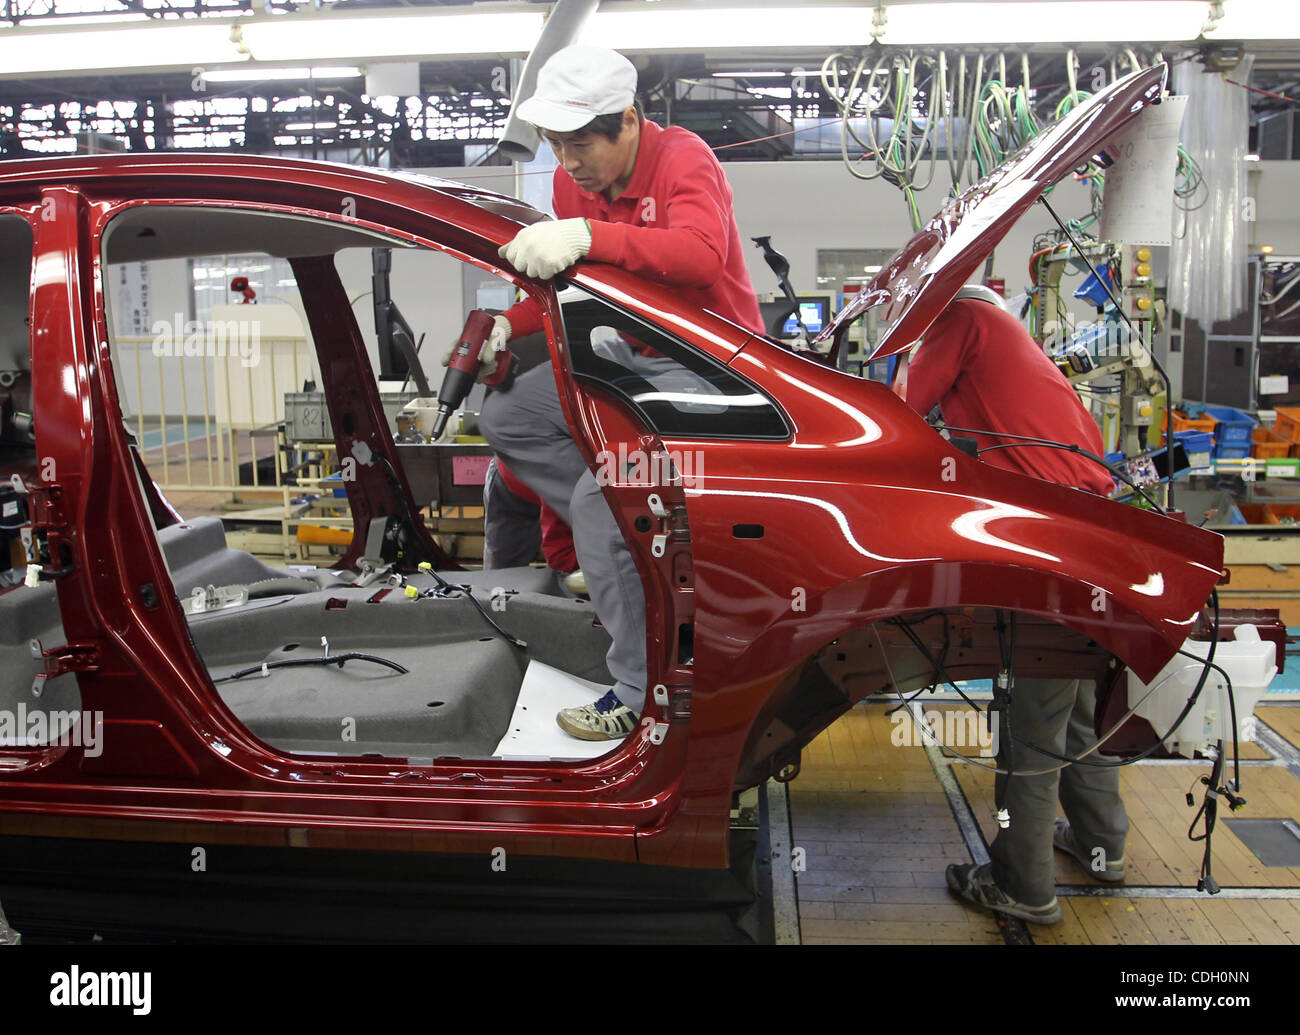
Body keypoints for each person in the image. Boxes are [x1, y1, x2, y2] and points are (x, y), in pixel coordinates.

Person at [473, 44, 763, 740]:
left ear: (628, 122)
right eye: (555, 145)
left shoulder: (684, 157)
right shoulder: (577, 188)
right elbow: (564, 284)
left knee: (598, 503)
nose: (567, 163)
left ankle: (639, 690)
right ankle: (630, 539)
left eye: (579, 145)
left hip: (713, 372)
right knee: (508, 413)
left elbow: (699, 254)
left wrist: (587, 233)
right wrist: (505, 331)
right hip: (631, 364)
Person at [906, 289, 1125, 925]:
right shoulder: (1005, 330)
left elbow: (897, 415)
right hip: (1094, 529)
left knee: (1033, 718)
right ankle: (1100, 843)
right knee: (1080, 699)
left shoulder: (959, 319)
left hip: (1047, 538)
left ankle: (1024, 888)